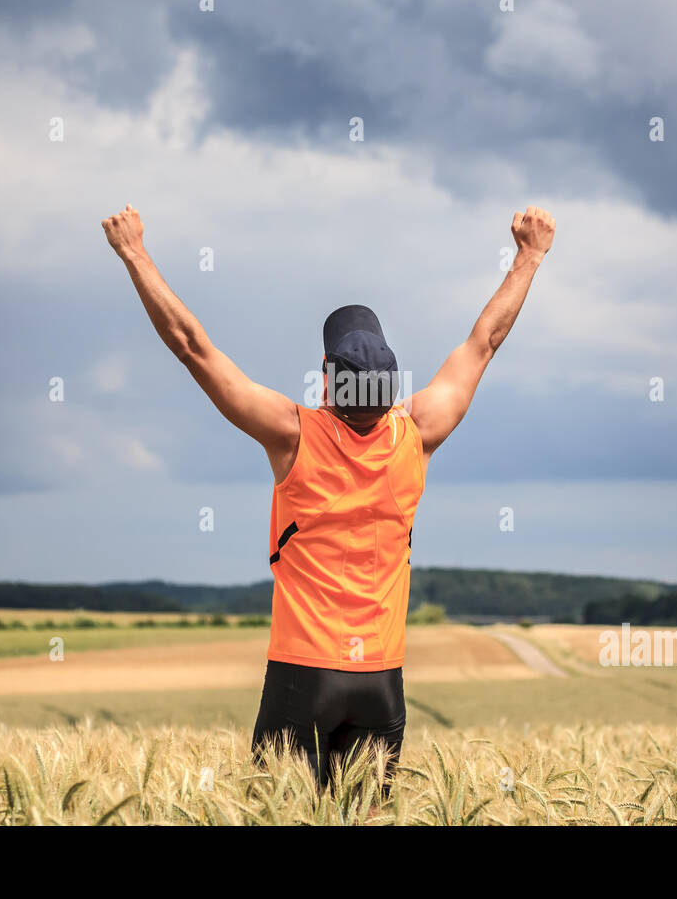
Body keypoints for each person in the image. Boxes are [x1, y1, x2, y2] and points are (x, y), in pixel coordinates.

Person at [102, 203, 555, 792]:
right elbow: (484, 341)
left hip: (302, 675)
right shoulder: (418, 431)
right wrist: (530, 255)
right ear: (392, 385)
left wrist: (134, 252)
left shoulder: (291, 434)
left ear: (324, 373)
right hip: (381, 681)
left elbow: (193, 347)